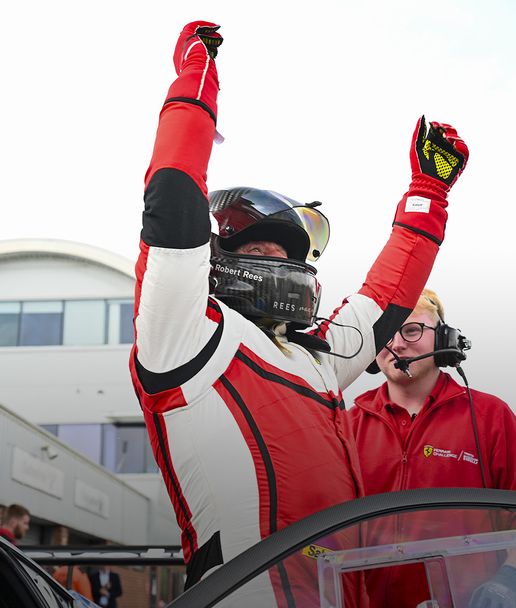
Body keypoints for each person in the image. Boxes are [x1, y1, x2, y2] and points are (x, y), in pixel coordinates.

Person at [129, 20, 469, 607]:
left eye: (289, 255)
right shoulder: (187, 335)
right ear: (219, 258)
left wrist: (429, 192)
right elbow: (174, 199)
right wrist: (196, 78)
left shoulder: (317, 360)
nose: (281, 265)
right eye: (263, 252)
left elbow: (387, 296)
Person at [348, 289, 516, 608]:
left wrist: (508, 581)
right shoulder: (346, 427)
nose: (397, 344)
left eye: (412, 330)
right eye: (386, 333)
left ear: (444, 339)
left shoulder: (489, 416)